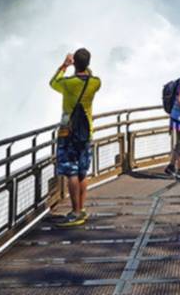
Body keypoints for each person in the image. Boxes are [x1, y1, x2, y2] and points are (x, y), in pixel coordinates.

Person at [49, 48, 101, 227]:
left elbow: (53, 82)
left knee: (71, 172)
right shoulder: (95, 82)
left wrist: (65, 65)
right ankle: (81, 208)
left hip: (68, 133)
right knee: (82, 172)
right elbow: (89, 74)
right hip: (87, 132)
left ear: (75, 64)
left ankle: (75, 212)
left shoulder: (68, 83)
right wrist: (82, 66)